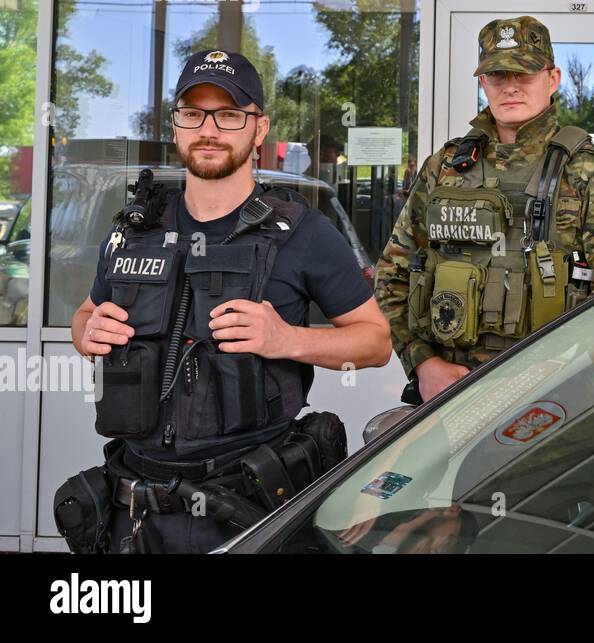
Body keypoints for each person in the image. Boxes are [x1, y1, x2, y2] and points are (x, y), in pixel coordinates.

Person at [57, 49, 391, 554]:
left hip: (248, 511)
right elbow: (85, 316)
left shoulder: (304, 234)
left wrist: (287, 339)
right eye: (193, 113)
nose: (208, 129)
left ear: (259, 130)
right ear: (176, 126)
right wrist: (86, 332)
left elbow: (375, 343)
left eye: (229, 114)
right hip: (135, 513)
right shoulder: (135, 230)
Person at [376, 16, 594, 403]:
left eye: (525, 73)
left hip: (553, 396)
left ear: (552, 79)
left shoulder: (590, 169)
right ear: (483, 82)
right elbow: (393, 274)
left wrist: (567, 365)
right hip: (451, 392)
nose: (511, 86)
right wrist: (423, 364)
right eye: (497, 75)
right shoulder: (447, 165)